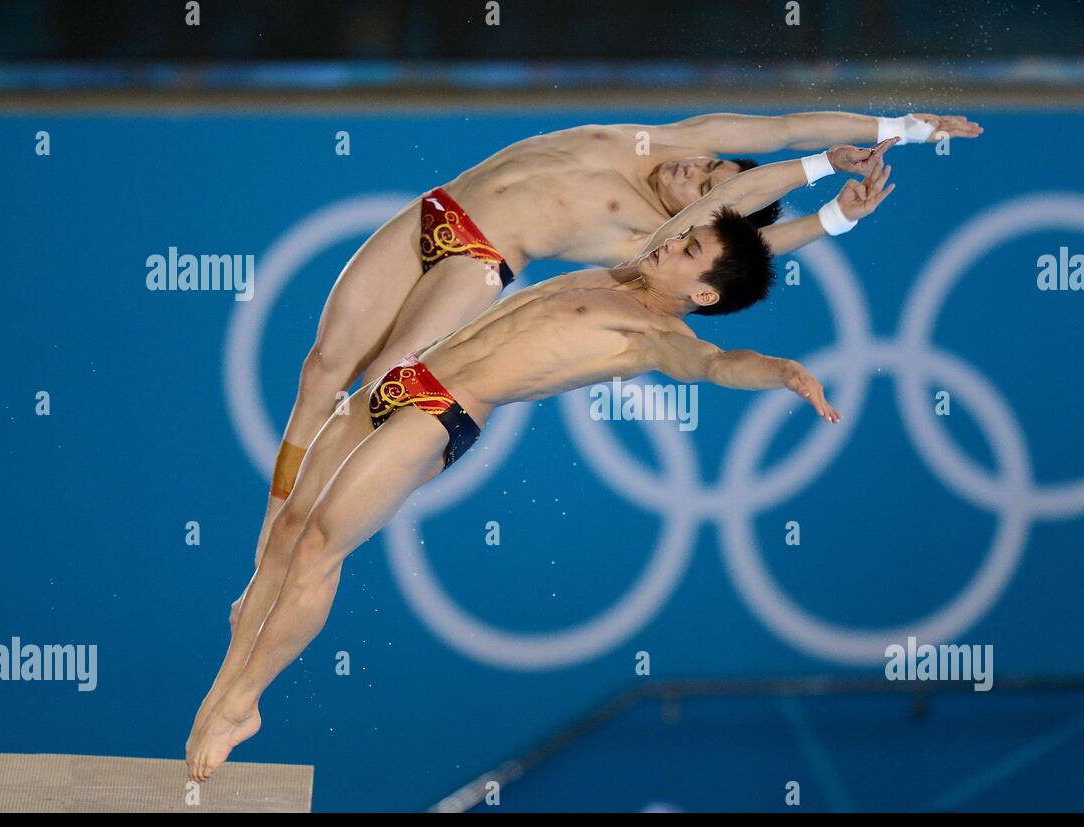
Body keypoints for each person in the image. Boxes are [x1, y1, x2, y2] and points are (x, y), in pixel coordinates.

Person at [187, 141, 900, 781]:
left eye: (687, 254)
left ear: (703, 294)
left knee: (316, 544)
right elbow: (723, 209)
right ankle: (224, 692)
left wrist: (779, 370)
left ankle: (241, 703)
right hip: (404, 378)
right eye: (679, 236)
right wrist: (829, 202)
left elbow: (719, 365)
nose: (671, 243)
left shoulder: (655, 335)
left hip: (441, 414)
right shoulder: (626, 269)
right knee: (280, 543)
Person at [258, 111, 981, 562]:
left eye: (708, 189)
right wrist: (896, 126)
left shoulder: (652, 243)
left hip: (476, 262)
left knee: (383, 382)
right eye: (707, 165)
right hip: (439, 209)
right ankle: (276, 522)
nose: (695, 170)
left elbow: (755, 243)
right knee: (322, 367)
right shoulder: (666, 140)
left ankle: (289, 546)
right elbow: (782, 128)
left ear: (709, 220)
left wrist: (836, 216)